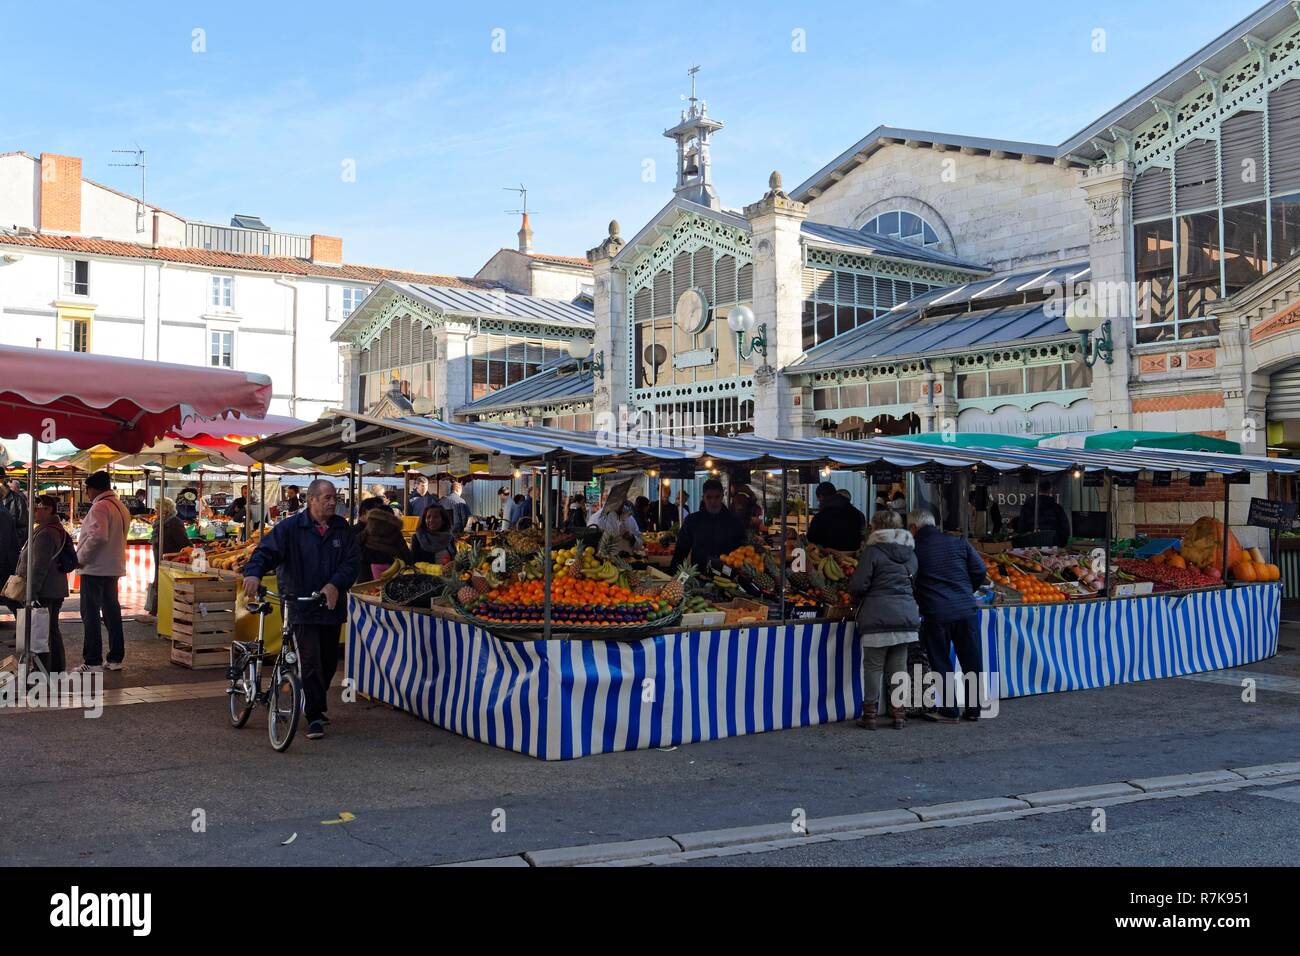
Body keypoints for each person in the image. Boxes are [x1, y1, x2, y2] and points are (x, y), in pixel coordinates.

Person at [242, 478, 360, 740]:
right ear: (312, 501)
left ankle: (314, 701)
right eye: (327, 498)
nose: (332, 502)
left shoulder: (342, 529)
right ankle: (314, 715)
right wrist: (254, 573)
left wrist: (335, 584)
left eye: (334, 498)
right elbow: (265, 552)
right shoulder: (290, 528)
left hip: (330, 606)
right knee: (310, 661)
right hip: (300, 605)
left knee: (329, 662)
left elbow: (352, 562)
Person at [908, 508, 988, 722]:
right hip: (966, 611)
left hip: (936, 613)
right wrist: (965, 591)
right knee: (972, 660)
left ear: (914, 528)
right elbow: (980, 570)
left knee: (941, 662)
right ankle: (974, 709)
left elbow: (910, 582)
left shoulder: (914, 550)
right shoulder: (959, 542)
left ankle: (950, 709)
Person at [847, 510, 920, 730]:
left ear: (877, 527)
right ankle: (898, 714)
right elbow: (913, 579)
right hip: (905, 615)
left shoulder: (873, 551)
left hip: (877, 615)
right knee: (898, 666)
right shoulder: (910, 552)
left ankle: (870, 715)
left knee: (873, 667)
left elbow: (859, 584)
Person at [75, 470, 131, 673]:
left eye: (87, 489)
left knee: (90, 614)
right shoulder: (120, 506)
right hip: (113, 566)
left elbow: (98, 537)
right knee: (111, 613)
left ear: (93, 488)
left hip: (95, 568)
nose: (87, 494)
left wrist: (81, 559)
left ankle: (92, 660)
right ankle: (116, 658)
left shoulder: (100, 507)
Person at [12, 495, 71, 671]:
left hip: (45, 590)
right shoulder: (54, 529)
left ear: (48, 509)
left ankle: (42, 670)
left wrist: (32, 592)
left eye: (37, 507)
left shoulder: (46, 533)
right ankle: (56, 668)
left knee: (41, 632)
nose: (33, 511)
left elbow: (39, 566)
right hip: (54, 588)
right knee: (51, 630)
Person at [670, 478, 746, 573]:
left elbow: (742, 550)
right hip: (699, 577)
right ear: (703, 497)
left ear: (722, 496)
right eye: (709, 497)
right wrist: (672, 576)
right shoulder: (692, 521)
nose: (713, 501)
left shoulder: (734, 522)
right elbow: (680, 552)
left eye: (717, 497)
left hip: (729, 578)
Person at [354, 497, 413, 583]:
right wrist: (410, 563)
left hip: (370, 571)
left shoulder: (370, 527)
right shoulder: (395, 530)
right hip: (392, 566)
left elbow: (357, 542)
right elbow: (404, 551)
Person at [807, 481, 866, 552]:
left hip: (828, 559)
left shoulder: (820, 517)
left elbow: (811, 541)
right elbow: (861, 535)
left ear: (821, 497)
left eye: (818, 499)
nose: (819, 502)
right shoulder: (857, 513)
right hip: (853, 558)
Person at [1013, 481, 1070, 546]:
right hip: (1052, 544)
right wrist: (1061, 543)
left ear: (1037, 489)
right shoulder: (1057, 508)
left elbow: (1021, 528)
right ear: (1050, 490)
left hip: (1031, 543)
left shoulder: (1026, 507)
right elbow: (1065, 528)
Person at [0, 466, 29, 546]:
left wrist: (11, 543)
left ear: (3, 480)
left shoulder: (17, 500)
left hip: (8, 551)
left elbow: (24, 528)